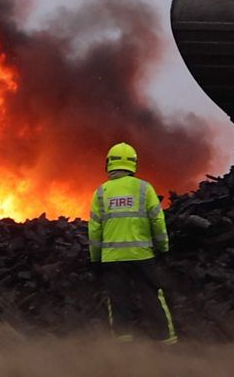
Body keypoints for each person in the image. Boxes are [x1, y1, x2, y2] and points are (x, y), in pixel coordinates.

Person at [88, 142, 177, 343]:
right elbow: (157, 221)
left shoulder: (101, 193)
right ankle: (167, 343)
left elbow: (94, 230)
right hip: (142, 256)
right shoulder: (144, 189)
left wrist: (95, 259)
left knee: (118, 303)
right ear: (133, 164)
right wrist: (163, 249)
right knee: (152, 298)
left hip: (112, 259)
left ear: (109, 163)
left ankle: (124, 350)